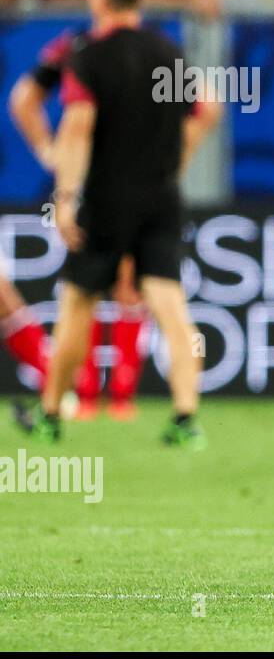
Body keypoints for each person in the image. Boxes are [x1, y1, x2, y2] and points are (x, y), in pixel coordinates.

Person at [15, 0, 221, 445]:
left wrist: (65, 195)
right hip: (160, 197)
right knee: (171, 307)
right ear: (139, 0)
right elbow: (209, 107)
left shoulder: (88, 55)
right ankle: (186, 418)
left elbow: (78, 126)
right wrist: (179, 158)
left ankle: (50, 413)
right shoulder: (167, 51)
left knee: (77, 305)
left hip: (107, 198)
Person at [9, 26, 149, 421]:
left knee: (84, 285)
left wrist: (50, 153)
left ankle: (89, 395)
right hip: (116, 175)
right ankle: (114, 397)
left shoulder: (72, 47)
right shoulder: (141, 47)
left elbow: (24, 100)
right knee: (119, 278)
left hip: (82, 175)